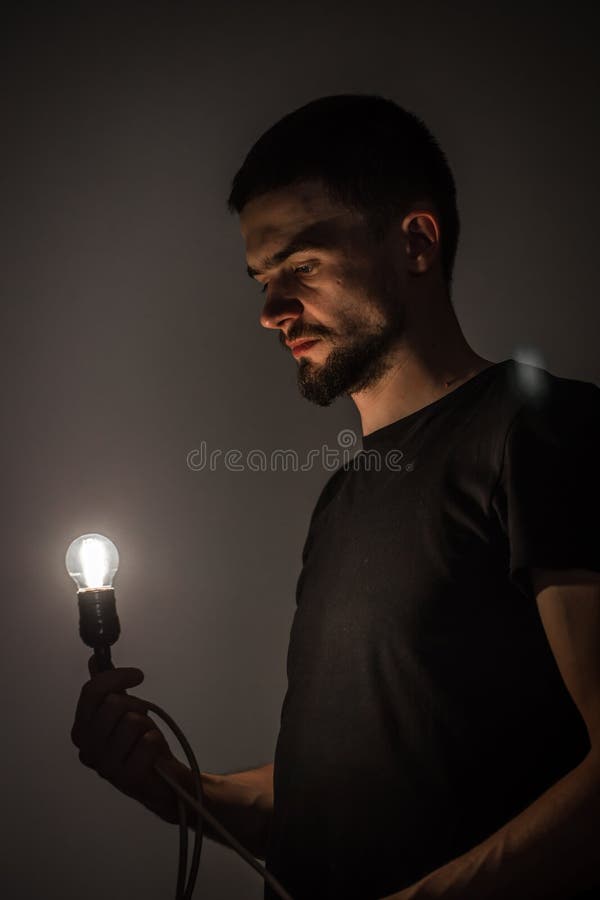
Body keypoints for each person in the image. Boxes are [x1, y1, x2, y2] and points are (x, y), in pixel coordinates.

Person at [71, 94, 600, 900]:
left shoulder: (536, 428)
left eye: (302, 267)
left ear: (416, 243)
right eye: (261, 279)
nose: (270, 311)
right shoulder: (346, 496)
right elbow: (329, 800)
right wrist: (173, 788)